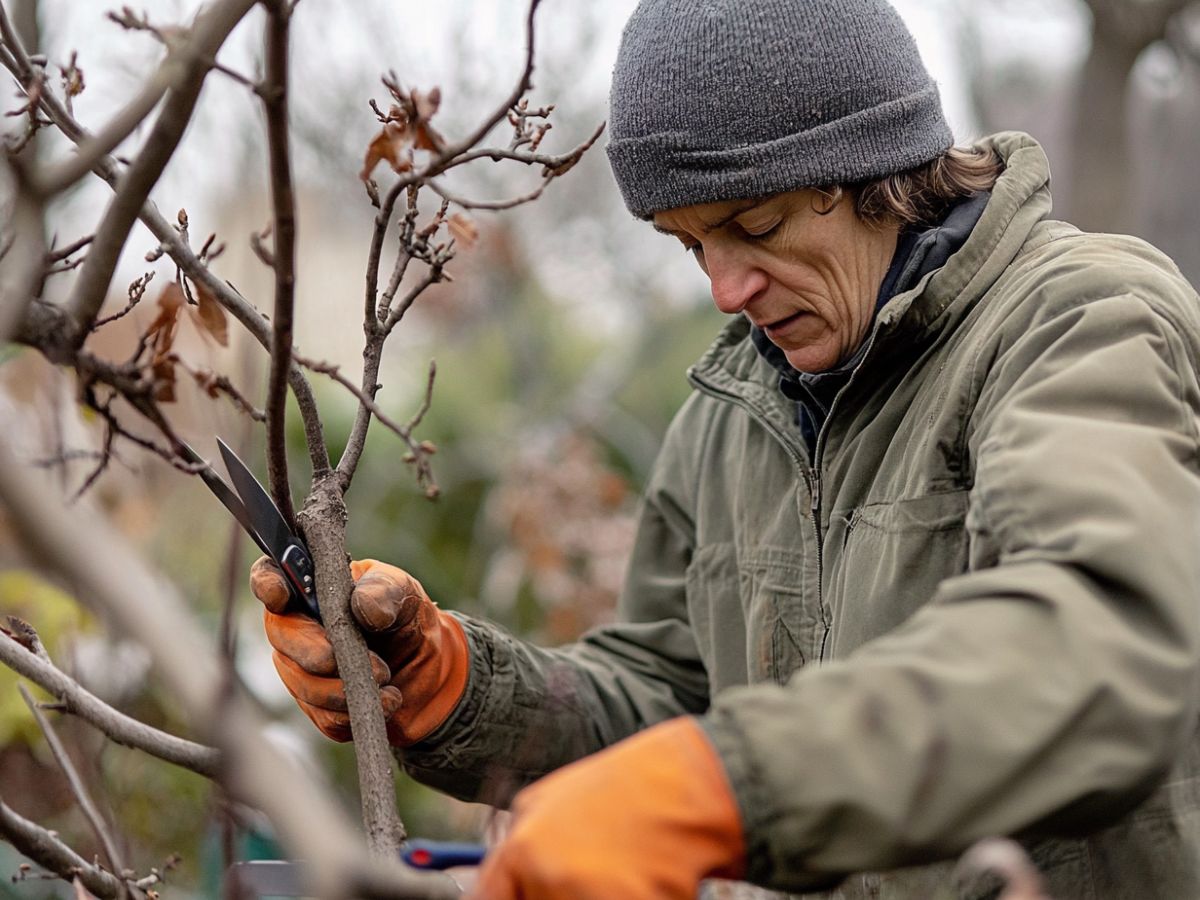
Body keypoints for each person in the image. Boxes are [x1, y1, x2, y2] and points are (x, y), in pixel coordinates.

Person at [250, 0, 1200, 897]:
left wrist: (719, 787)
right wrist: (456, 689)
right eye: (690, 244)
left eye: (755, 225)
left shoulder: (1080, 323)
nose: (726, 288)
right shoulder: (737, 404)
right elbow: (675, 695)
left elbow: (1097, 636)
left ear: (881, 174)